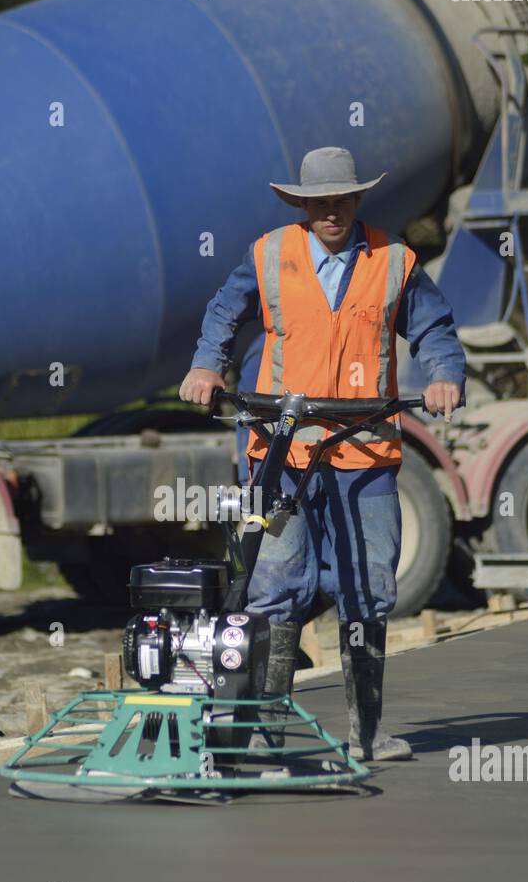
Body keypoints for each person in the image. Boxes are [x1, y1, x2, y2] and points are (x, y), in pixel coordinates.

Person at [179, 147, 465, 761]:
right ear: (301, 204)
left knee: (367, 589)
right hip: (282, 451)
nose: (331, 210)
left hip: (364, 450)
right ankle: (263, 730)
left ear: (358, 198)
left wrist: (443, 373)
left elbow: (435, 328)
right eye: (319, 201)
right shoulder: (269, 254)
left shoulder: (395, 260)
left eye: (341, 198)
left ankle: (365, 734)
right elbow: (226, 311)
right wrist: (207, 364)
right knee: (274, 585)